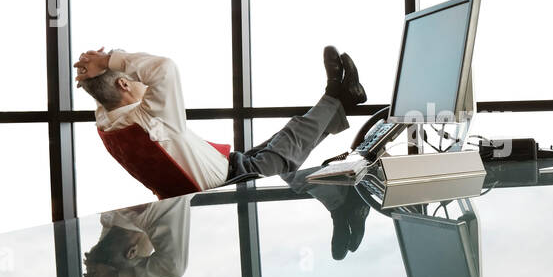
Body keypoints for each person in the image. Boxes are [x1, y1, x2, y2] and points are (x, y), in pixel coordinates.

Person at [73, 45, 367, 198]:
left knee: (287, 139)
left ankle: (341, 97)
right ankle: (336, 96)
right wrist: (108, 60)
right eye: (136, 80)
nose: (143, 84)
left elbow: (105, 96)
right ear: (125, 85)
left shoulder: (108, 123)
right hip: (237, 182)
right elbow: (164, 69)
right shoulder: (152, 119)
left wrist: (96, 72)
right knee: (291, 140)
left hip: (230, 168)